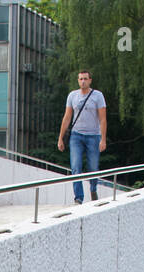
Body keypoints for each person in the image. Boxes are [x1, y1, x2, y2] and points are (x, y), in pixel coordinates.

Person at [57, 70, 107, 204]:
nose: (83, 81)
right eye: (80, 79)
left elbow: (102, 119)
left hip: (93, 135)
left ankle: (93, 188)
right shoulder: (72, 96)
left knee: (93, 166)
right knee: (76, 165)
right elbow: (67, 117)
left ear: (90, 80)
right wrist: (60, 138)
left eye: (85, 79)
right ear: (78, 81)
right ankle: (78, 197)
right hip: (76, 136)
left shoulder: (98, 96)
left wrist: (103, 139)